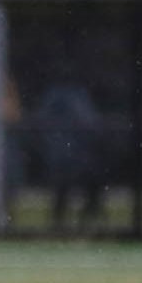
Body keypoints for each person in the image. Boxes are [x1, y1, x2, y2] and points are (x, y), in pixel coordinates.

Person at [33, 68, 104, 231]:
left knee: (90, 186)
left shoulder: (80, 95)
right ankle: (59, 226)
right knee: (61, 191)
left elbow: (91, 124)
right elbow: (44, 124)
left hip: (79, 155)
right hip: (61, 156)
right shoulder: (54, 97)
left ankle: (87, 223)